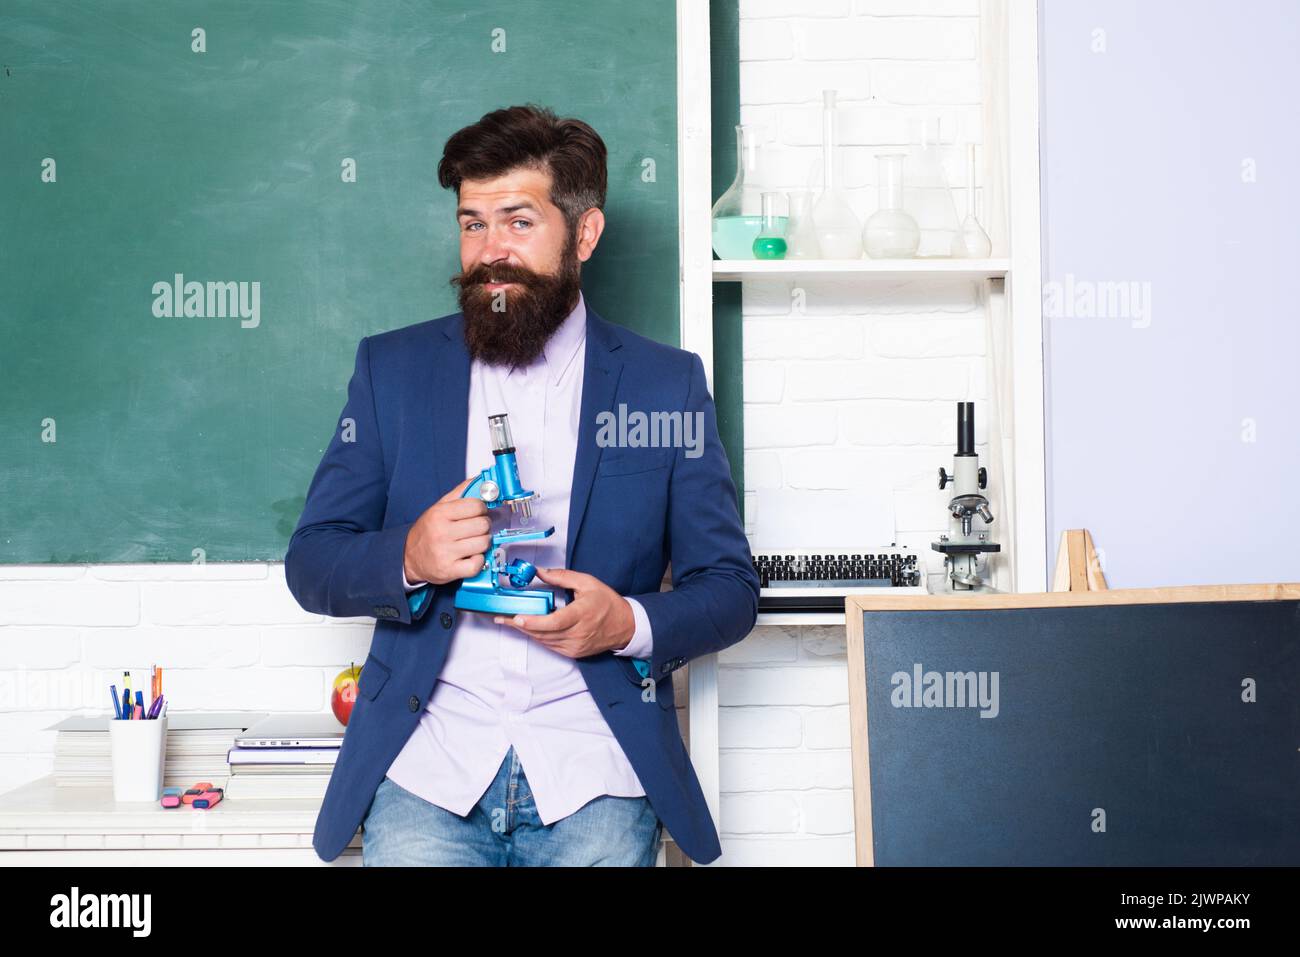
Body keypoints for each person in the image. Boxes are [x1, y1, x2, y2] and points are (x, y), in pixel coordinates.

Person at [285, 103, 758, 866]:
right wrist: (409, 554)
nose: (490, 250)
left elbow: (730, 588)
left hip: (596, 768)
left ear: (586, 233)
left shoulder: (666, 386)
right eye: (473, 223)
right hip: (430, 769)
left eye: (517, 221)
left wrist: (627, 623)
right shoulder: (391, 370)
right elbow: (312, 561)